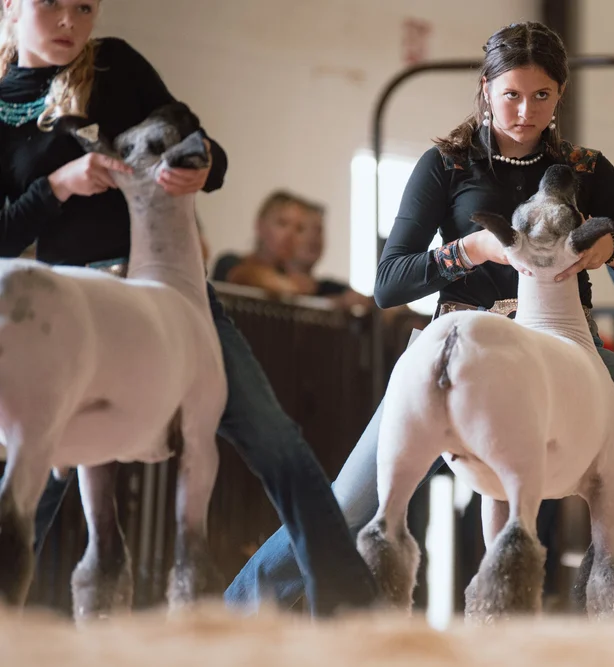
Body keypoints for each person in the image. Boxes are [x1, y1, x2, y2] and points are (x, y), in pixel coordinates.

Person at [225, 20, 614, 614]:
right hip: (457, 351)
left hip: (569, 352)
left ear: (560, 95)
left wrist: (613, 250)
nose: (524, 110)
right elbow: (388, 283)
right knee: (350, 501)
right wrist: (474, 249)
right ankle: (236, 612)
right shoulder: (447, 165)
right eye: (511, 93)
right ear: (485, 88)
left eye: (541, 95)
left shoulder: (587, 169)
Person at [0, 0, 374, 616]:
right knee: (34, 470)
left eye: (85, 7)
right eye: (52, 5)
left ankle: (354, 612)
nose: (70, 22)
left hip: (173, 300)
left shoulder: (116, 66)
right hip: (73, 316)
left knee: (274, 439)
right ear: (12, 5)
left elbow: (202, 147)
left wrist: (198, 170)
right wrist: (58, 186)